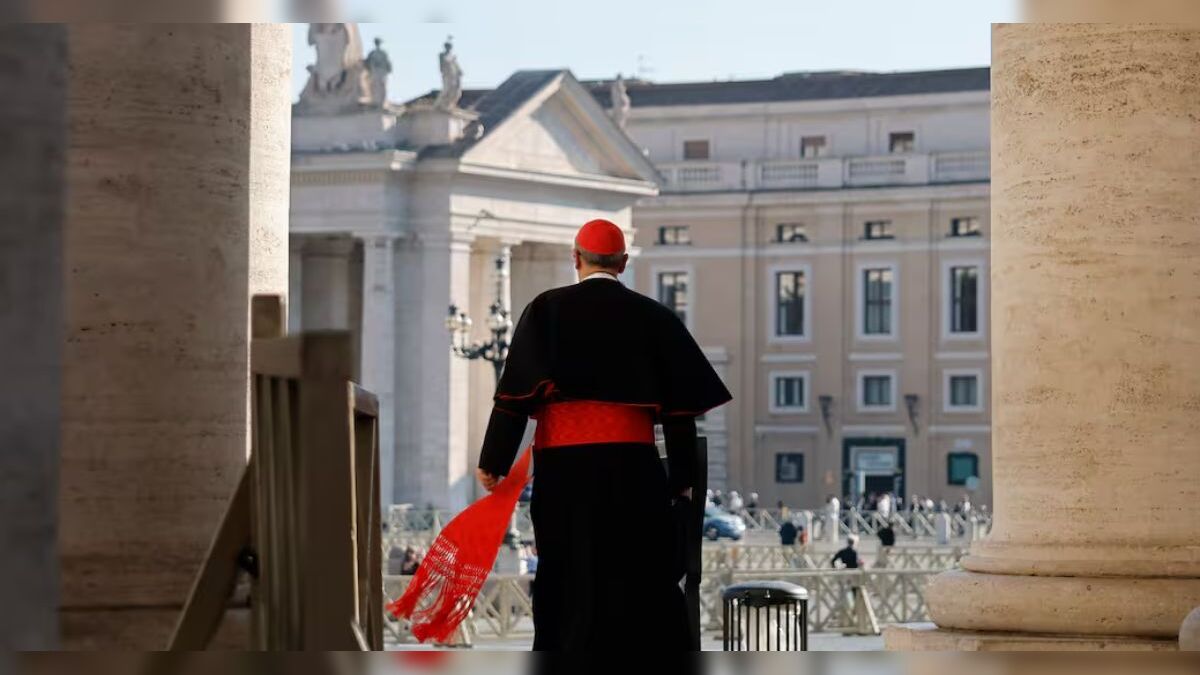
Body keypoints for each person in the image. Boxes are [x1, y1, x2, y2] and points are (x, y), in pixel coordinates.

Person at [474, 218, 733, 651]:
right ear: (623, 263)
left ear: (575, 258)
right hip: (634, 472)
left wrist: (493, 462)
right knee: (636, 576)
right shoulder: (655, 317)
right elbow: (680, 414)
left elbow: (513, 397)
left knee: (566, 576)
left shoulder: (546, 310)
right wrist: (681, 481)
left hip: (564, 475)